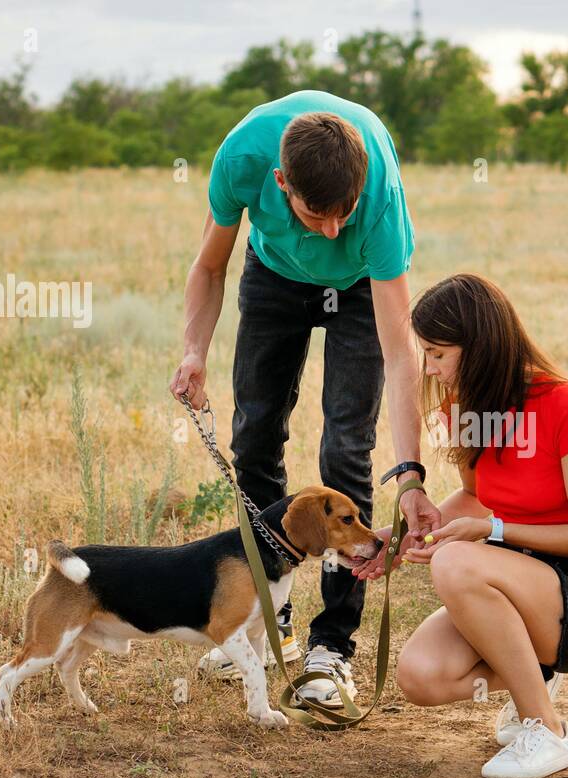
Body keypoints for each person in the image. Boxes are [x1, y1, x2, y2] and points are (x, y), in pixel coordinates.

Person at [170, 90, 440, 708]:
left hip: (357, 290)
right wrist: (193, 351)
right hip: (273, 276)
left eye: (343, 213)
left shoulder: (379, 205)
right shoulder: (241, 159)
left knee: (346, 447)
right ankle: (271, 620)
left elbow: (401, 352)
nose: (332, 230)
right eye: (316, 214)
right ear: (279, 182)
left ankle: (333, 649)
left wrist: (412, 473)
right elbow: (210, 266)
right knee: (255, 437)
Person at [358, 274, 568, 778]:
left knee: (457, 562)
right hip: (512, 586)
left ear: (479, 346)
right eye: (426, 353)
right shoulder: (463, 406)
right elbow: (476, 496)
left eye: (439, 353)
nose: (430, 368)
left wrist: (491, 533)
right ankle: (534, 679)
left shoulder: (564, 404)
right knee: (419, 677)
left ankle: (545, 729)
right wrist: (405, 538)